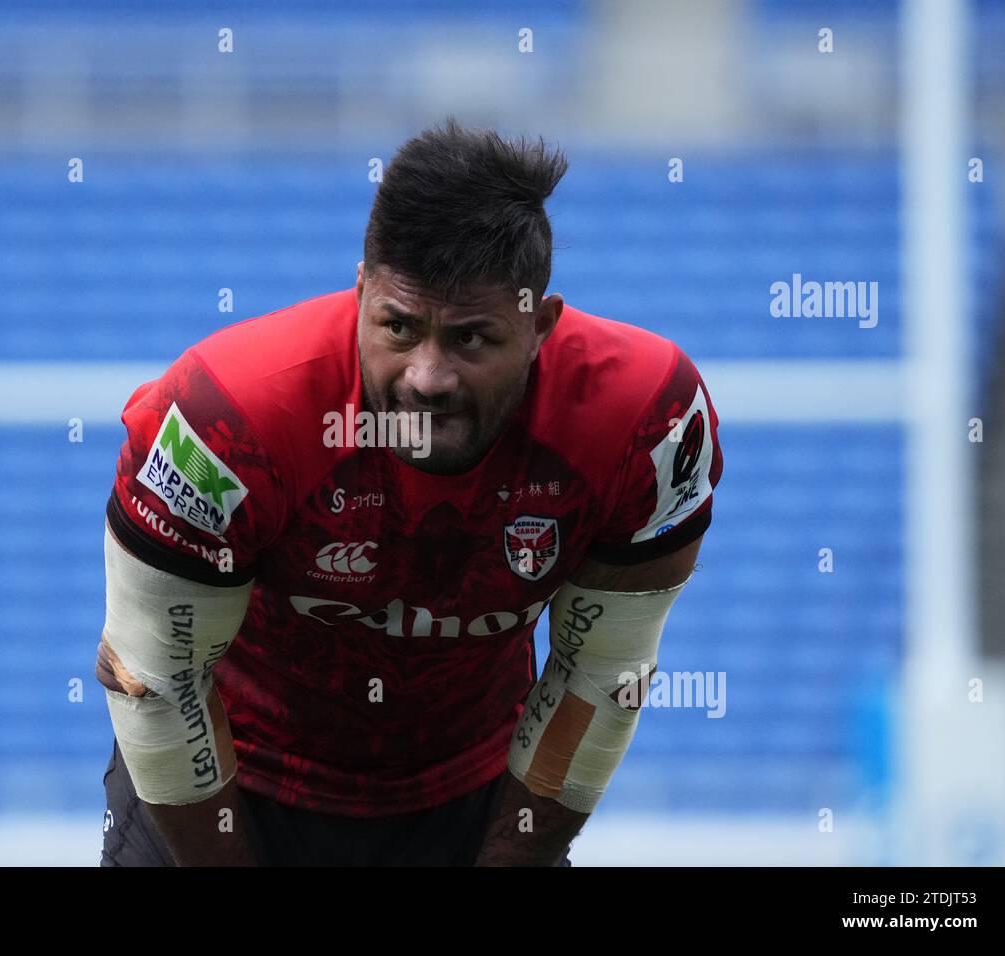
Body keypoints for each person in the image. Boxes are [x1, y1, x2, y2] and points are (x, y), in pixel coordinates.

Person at [96, 118, 723, 866]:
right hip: (229, 784)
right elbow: (156, 685)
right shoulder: (224, 420)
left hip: (474, 791)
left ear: (541, 325)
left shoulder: (644, 418)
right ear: (359, 295)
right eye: (399, 327)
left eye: (471, 339)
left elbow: (601, 677)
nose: (428, 377)